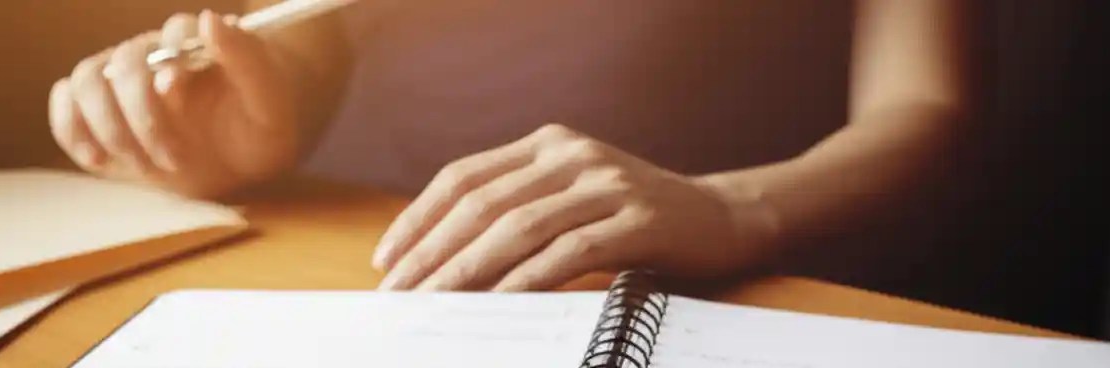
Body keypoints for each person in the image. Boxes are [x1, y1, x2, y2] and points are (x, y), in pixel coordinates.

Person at [49, 0, 982, 292]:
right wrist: (229, 133)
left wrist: (736, 207)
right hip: (365, 273)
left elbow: (927, 113)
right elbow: (290, 49)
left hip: (696, 296)